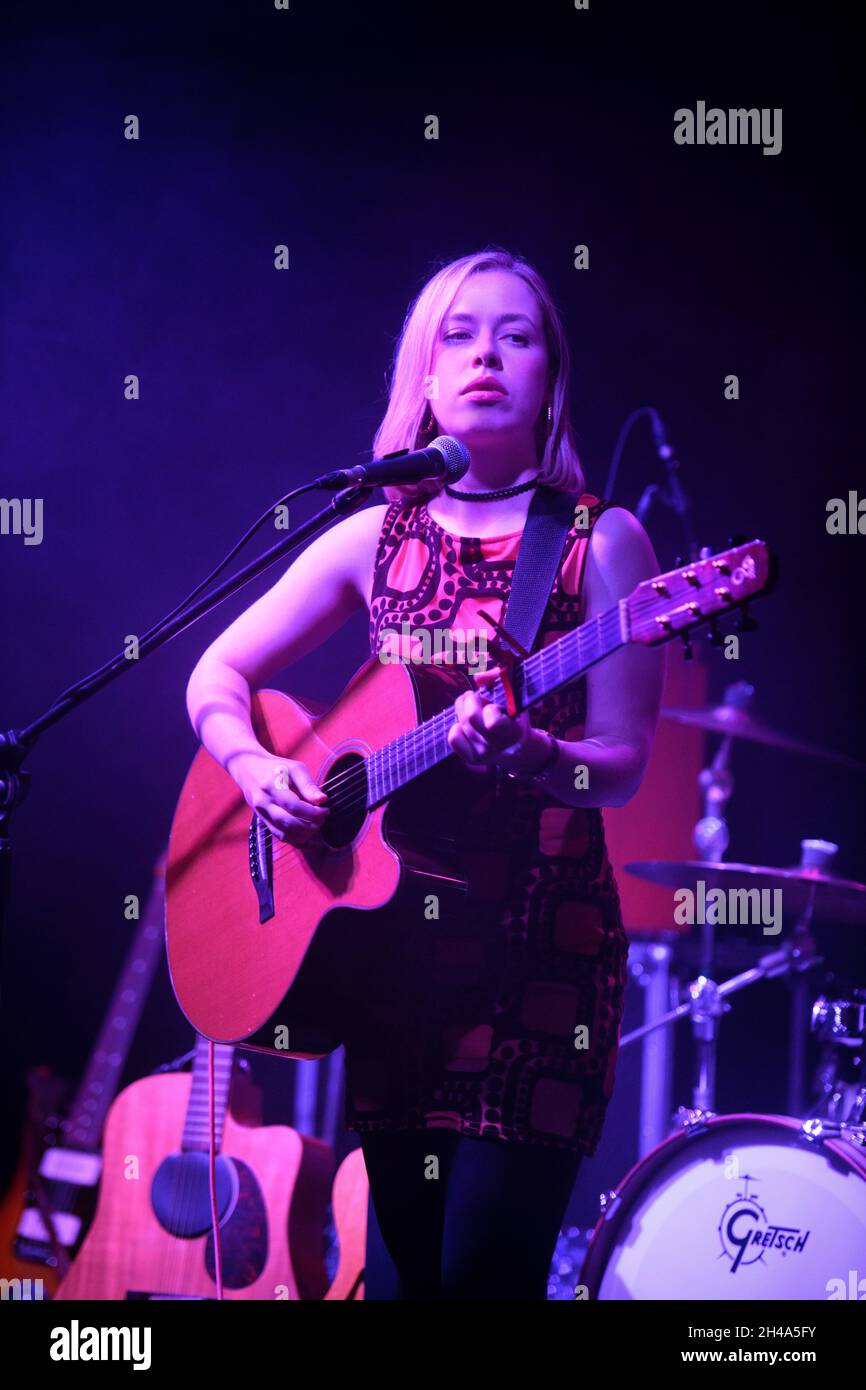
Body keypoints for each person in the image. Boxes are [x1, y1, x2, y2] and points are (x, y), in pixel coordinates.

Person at [185, 246, 664, 1300]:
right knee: (395, 1284)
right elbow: (215, 671)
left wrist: (538, 756)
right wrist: (253, 760)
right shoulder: (372, 534)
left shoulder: (602, 545)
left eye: (515, 334)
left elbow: (621, 770)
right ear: (424, 371)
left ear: (549, 376)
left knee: (483, 1281)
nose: (485, 352)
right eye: (457, 333)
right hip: (397, 972)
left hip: (538, 968)